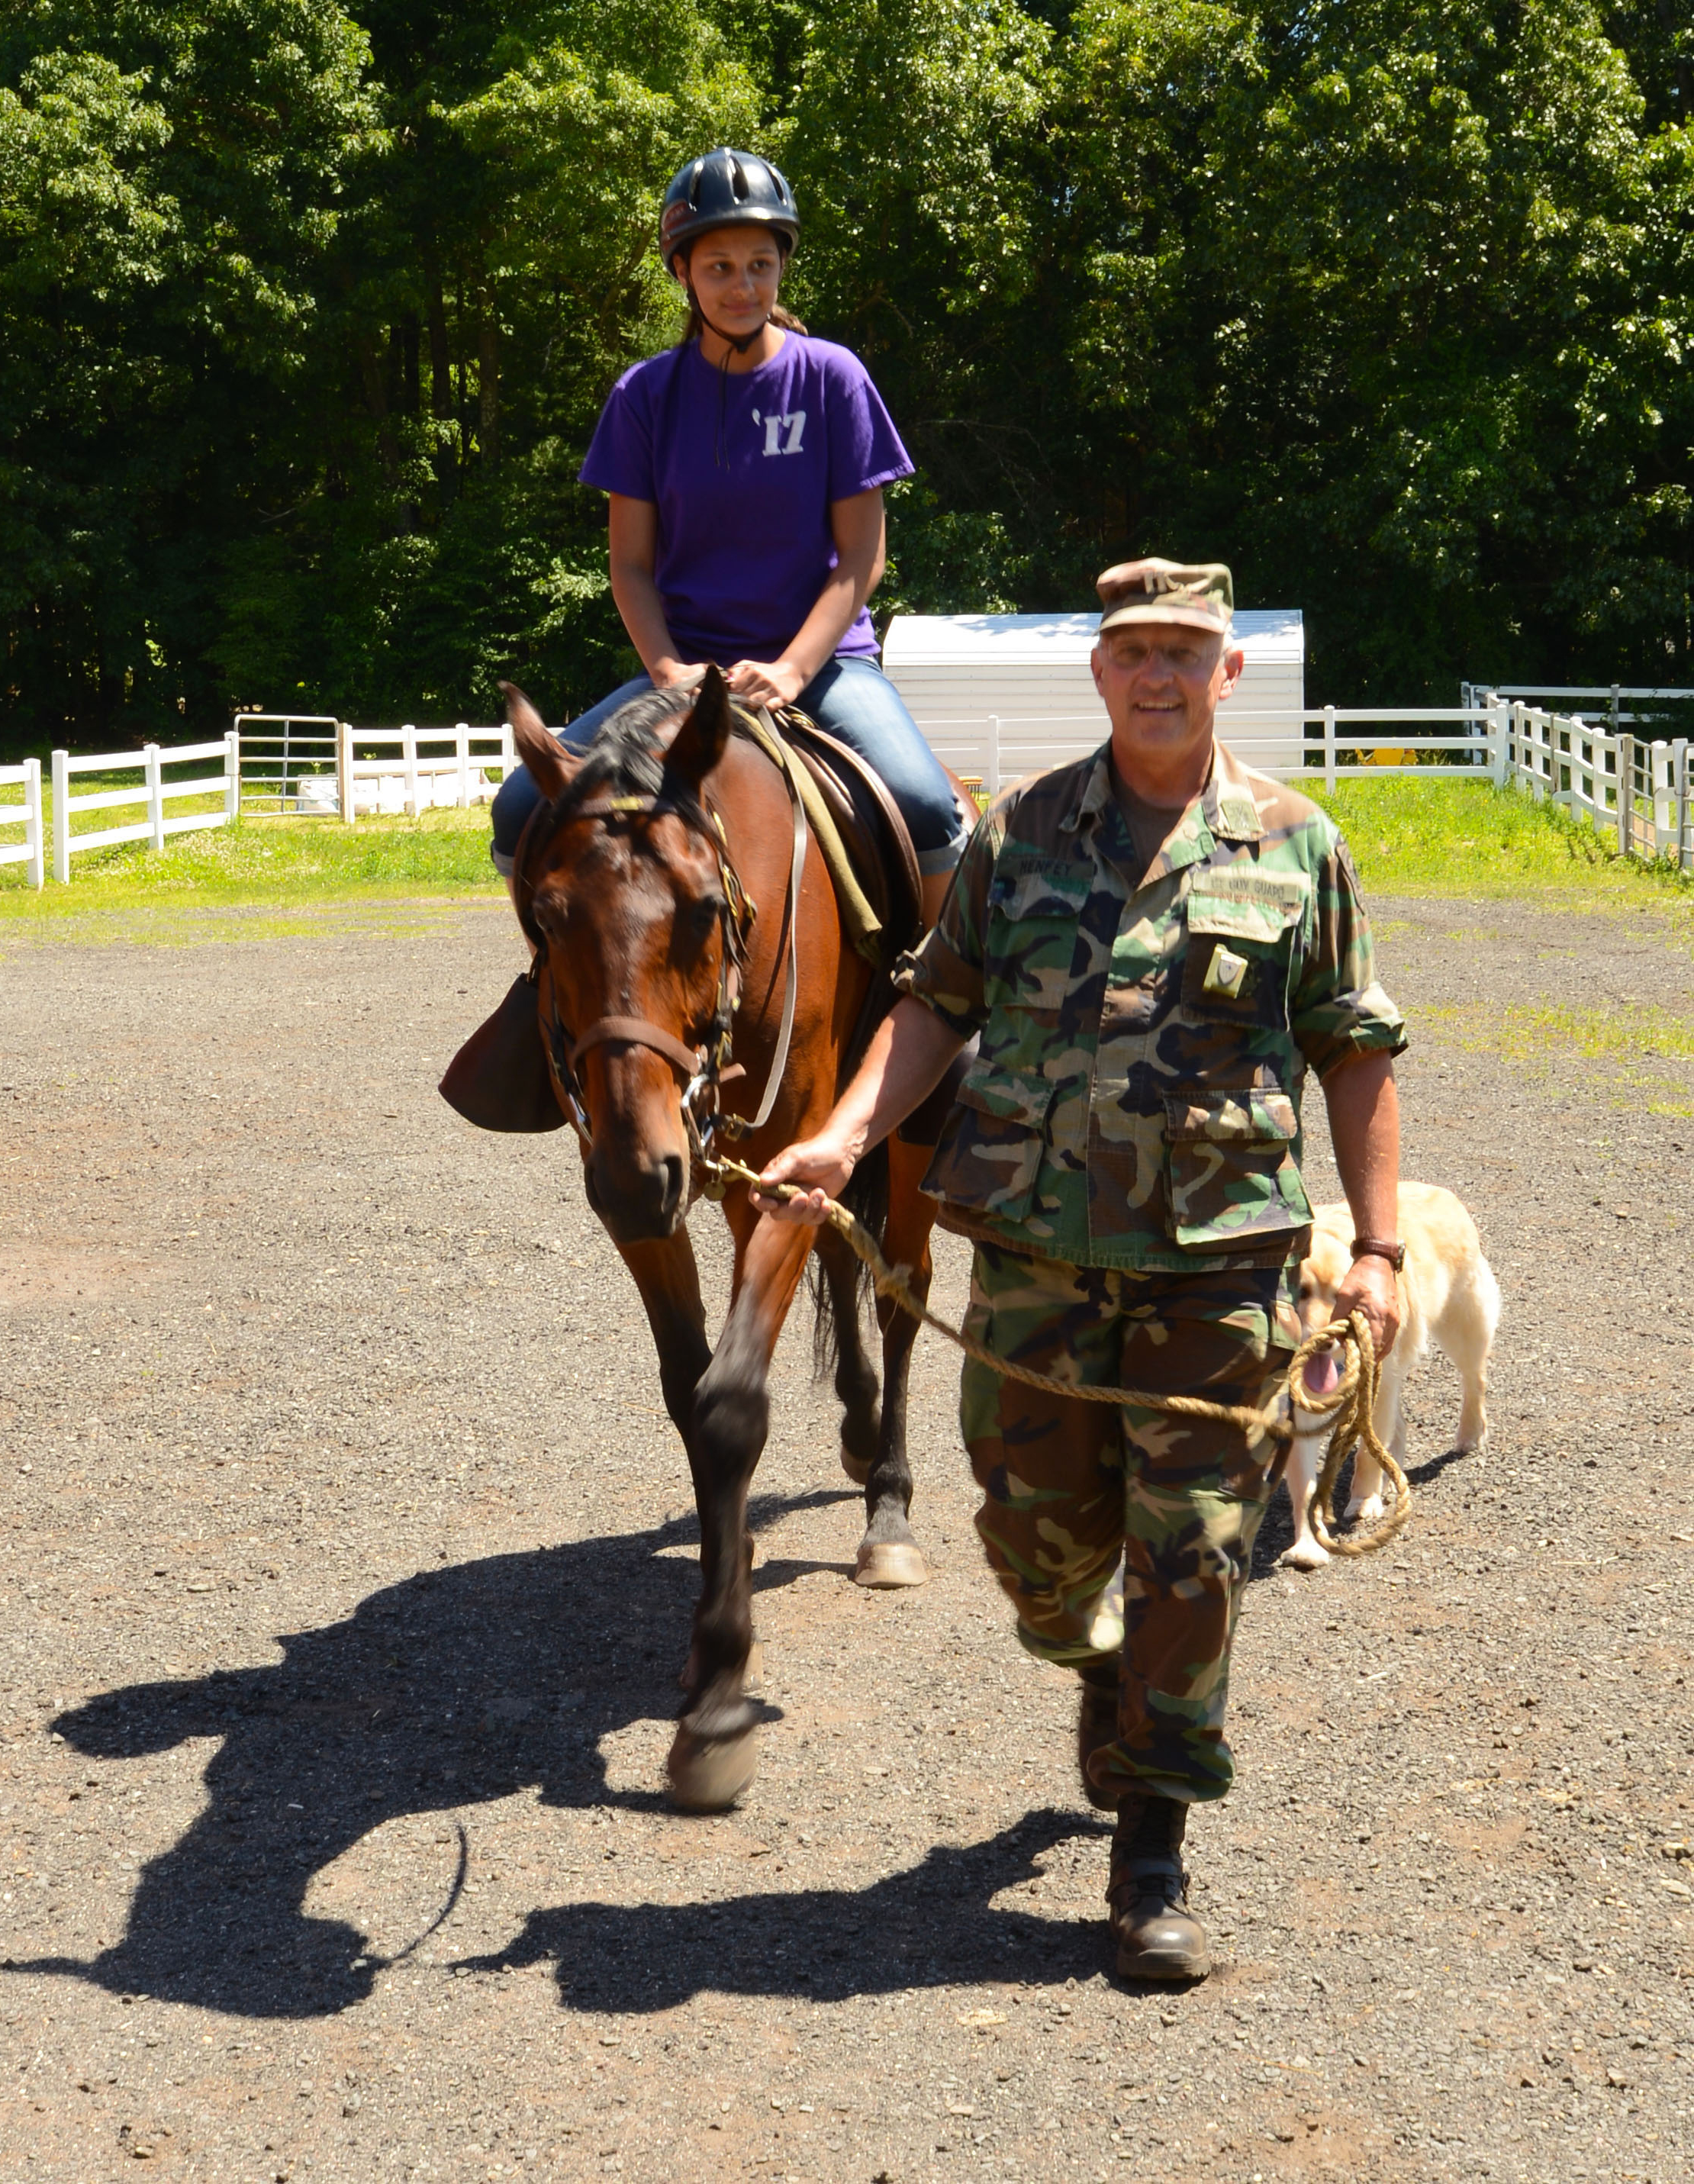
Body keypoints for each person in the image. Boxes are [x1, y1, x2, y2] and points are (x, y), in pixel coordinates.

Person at [753, 557, 1408, 1980]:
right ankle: (1099, 1668)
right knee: (1037, 1553)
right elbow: (938, 1001)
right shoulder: (1021, 833)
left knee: (1192, 1552)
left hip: (1215, 1265)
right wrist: (844, 1130)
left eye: (1186, 653)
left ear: (1226, 672)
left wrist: (1373, 1247)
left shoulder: (1296, 844)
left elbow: (1354, 1046)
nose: (1158, 676)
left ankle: (1151, 1842)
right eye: (1133, 654)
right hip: (1037, 1258)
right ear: (1100, 672)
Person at [491, 146, 968, 925]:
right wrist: (671, 668)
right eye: (719, 267)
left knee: (925, 806)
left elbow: (861, 557)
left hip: (822, 667)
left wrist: (788, 670)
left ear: (782, 266)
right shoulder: (643, 396)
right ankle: (557, 993)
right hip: (685, 671)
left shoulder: (831, 377)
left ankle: (945, 1009)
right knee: (518, 809)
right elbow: (631, 567)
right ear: (683, 273)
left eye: (759, 264)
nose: (743, 286)